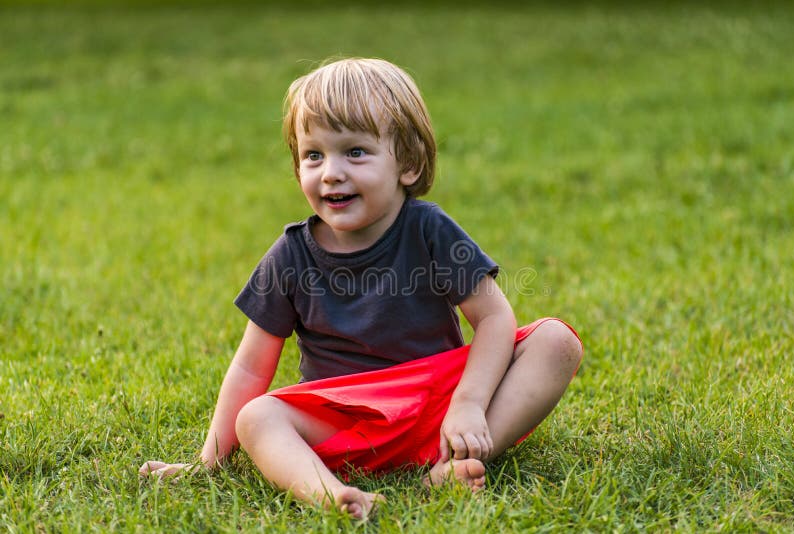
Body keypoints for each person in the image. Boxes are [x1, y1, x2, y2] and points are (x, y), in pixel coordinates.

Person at [139, 58, 583, 520]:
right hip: (344, 419)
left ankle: (452, 460)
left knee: (556, 341)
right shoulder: (290, 256)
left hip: (437, 404)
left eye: (355, 152)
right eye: (314, 155)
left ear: (407, 164)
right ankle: (332, 494)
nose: (331, 172)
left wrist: (468, 406)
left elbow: (494, 319)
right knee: (257, 417)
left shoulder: (428, 229)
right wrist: (209, 463)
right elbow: (252, 368)